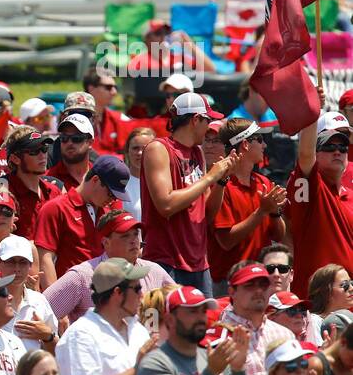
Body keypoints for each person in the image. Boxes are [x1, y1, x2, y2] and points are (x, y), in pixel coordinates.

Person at [140, 92, 236, 295]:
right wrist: (210, 177)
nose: (209, 126)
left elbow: (207, 215)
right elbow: (165, 205)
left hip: (199, 263)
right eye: (207, 120)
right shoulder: (158, 149)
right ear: (195, 120)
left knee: (203, 325)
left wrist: (221, 180)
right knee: (164, 325)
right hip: (166, 262)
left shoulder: (197, 153)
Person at [43, 209, 175, 324]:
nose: (134, 240)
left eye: (136, 233)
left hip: (147, 349)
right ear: (106, 242)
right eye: (125, 236)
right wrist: (50, 338)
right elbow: (41, 311)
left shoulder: (154, 272)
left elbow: (183, 306)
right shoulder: (83, 276)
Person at [208, 120, 287, 294]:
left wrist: (274, 212)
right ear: (245, 144)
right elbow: (226, 241)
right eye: (259, 139)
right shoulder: (220, 186)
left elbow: (278, 235)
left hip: (261, 278)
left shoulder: (263, 182)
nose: (264, 145)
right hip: (230, 285)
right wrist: (262, 211)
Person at [34, 154, 128, 286]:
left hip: (102, 297)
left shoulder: (106, 212)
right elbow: (45, 258)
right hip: (70, 297)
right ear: (95, 180)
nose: (113, 200)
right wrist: (55, 301)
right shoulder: (56, 208)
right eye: (111, 194)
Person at [288, 112, 353, 298]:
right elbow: (305, 155)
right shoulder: (311, 186)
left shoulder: (350, 195)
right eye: (329, 146)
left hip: (348, 297)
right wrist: (313, 110)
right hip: (316, 298)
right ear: (316, 152)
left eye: (343, 146)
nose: (337, 151)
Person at [0, 235, 58, 354]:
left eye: (23, 262)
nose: (17, 269)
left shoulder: (39, 301)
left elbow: (58, 352)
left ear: (30, 265)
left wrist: (47, 336)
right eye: (10, 262)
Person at [2, 127, 64, 241]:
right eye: (34, 151)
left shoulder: (54, 192)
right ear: (15, 159)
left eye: (44, 149)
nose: (42, 156)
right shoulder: (4, 195)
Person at [122, 126, 156, 219]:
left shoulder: (167, 182)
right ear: (127, 151)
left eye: (146, 148)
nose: (140, 153)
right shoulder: (119, 184)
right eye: (135, 148)